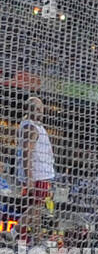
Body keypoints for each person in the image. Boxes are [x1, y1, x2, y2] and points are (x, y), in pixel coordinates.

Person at [16, 96, 56, 242]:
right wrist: (29, 178)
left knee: (36, 210)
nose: (41, 112)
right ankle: (14, 232)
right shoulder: (30, 127)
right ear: (30, 110)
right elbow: (27, 152)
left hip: (41, 174)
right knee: (36, 206)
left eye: (41, 109)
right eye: (37, 109)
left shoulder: (34, 126)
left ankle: (36, 240)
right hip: (37, 174)